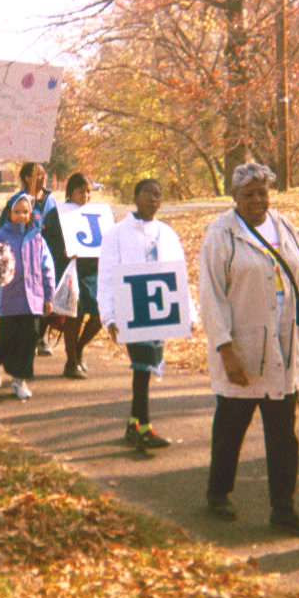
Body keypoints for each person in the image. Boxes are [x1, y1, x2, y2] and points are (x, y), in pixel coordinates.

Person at [199, 162, 299, 536]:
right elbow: (211, 297)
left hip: (283, 347)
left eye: (263, 192)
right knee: (231, 427)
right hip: (242, 348)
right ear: (235, 198)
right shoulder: (220, 234)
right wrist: (226, 350)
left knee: (282, 433)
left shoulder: (284, 226)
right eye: (249, 194)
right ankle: (218, 493)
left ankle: (284, 509)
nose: (258, 200)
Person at [98, 178, 186, 450]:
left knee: (147, 369)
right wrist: (109, 316)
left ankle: (134, 423)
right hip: (131, 309)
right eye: (148, 194)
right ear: (136, 196)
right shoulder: (116, 233)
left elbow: (178, 272)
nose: (154, 200)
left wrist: (186, 312)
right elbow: (107, 275)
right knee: (142, 365)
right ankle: (144, 427)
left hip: (159, 309)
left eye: (159, 195)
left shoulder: (166, 233)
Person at [0, 194, 55, 400]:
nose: (21, 216)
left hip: (33, 299)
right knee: (7, 337)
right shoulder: (0, 236)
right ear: (9, 213)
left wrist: (48, 296)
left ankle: (19, 379)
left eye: (26, 212)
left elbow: (47, 268)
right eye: (17, 212)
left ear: (31, 215)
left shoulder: (37, 237)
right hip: (8, 299)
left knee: (29, 338)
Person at [41, 173, 104, 379]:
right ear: (70, 192)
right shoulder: (55, 214)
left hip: (92, 271)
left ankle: (78, 349)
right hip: (69, 271)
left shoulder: (96, 213)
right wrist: (64, 251)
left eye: (88, 192)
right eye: (80, 192)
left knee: (100, 315)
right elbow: (47, 243)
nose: (85, 196)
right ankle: (71, 362)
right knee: (74, 317)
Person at [9, 161, 58, 355]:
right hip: (25, 255)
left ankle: (39, 337)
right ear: (28, 177)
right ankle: (20, 337)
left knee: (46, 297)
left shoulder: (51, 200)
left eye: (44, 174)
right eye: (39, 174)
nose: (44, 177)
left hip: (48, 254)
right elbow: (8, 223)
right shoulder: (18, 199)